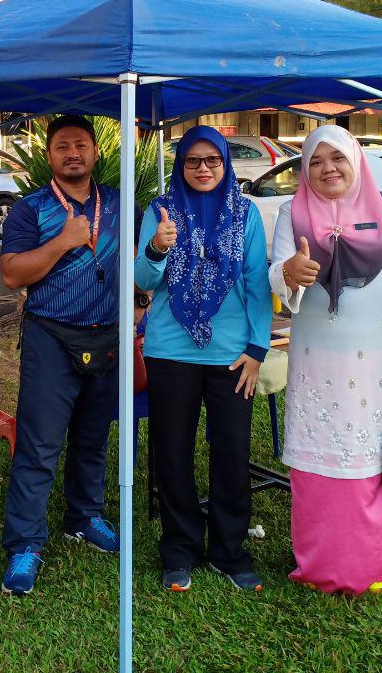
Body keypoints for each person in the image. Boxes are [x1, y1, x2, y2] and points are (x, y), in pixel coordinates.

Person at [269, 125, 382, 596]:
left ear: (356, 159)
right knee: (319, 456)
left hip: (376, 360)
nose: (327, 169)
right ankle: (320, 563)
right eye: (316, 161)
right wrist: (288, 273)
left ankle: (373, 562)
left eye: (336, 158)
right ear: (304, 169)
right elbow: (276, 277)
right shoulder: (290, 212)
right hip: (316, 361)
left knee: (369, 455)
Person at [135, 126, 272, 593]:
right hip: (170, 351)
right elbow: (143, 281)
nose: (203, 168)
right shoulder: (160, 211)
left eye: (212, 159)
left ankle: (230, 552)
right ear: (180, 165)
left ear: (226, 163)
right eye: (193, 161)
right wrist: (157, 248)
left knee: (232, 452)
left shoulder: (246, 213)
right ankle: (180, 548)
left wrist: (257, 349)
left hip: (232, 356)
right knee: (172, 453)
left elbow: (258, 284)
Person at [0, 114, 123, 595]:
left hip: (106, 336)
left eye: (82, 145)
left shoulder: (116, 203)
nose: (74, 153)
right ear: (49, 157)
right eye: (63, 146)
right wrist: (63, 242)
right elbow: (11, 274)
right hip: (51, 337)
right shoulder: (31, 211)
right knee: (39, 445)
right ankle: (24, 543)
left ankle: (84, 516)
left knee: (93, 439)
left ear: (96, 153)